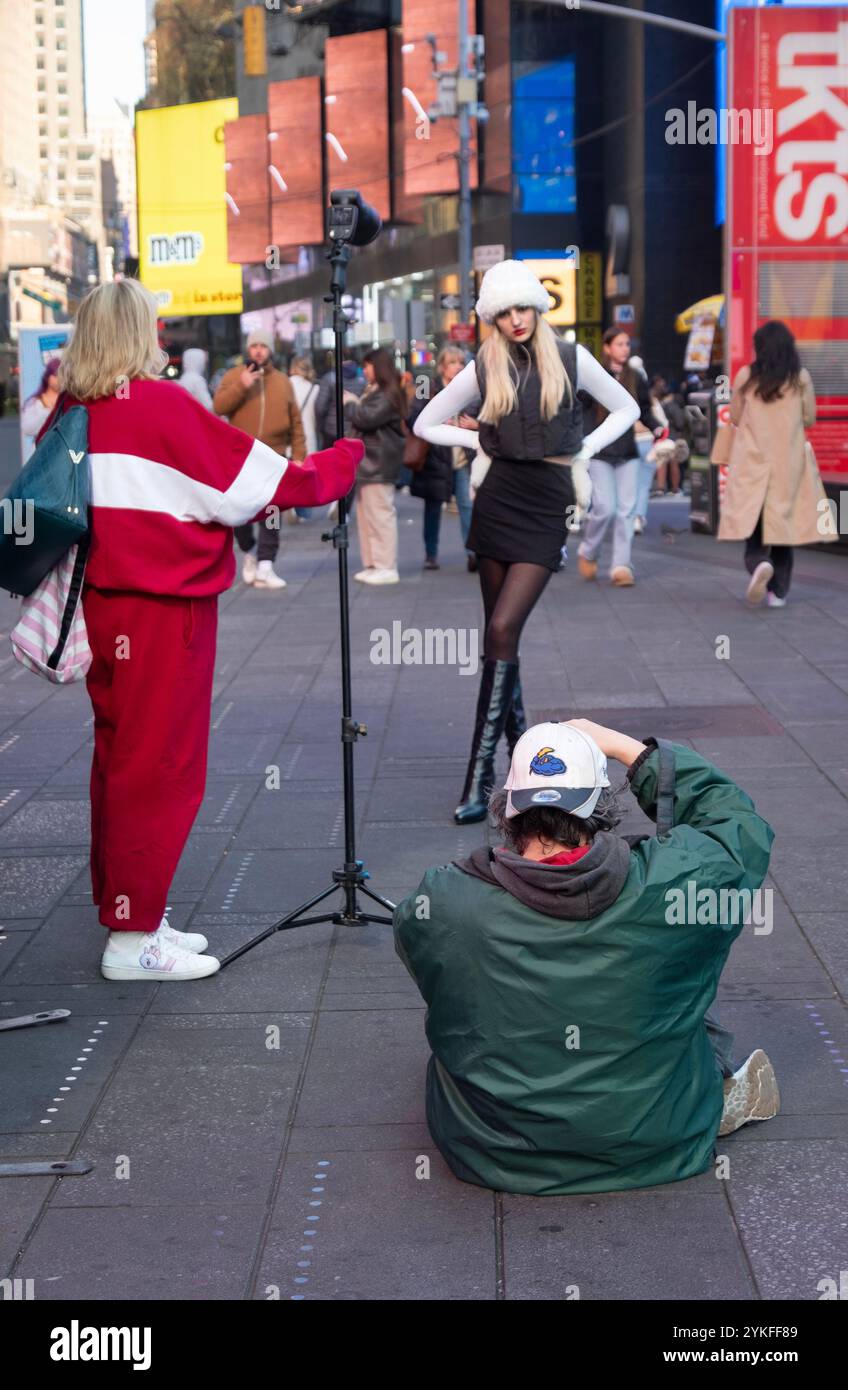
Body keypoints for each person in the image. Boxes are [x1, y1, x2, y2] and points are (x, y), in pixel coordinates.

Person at [50, 280, 362, 983]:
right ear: (139, 332)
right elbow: (259, 483)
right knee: (162, 767)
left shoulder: (72, 410)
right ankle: (132, 940)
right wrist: (343, 459)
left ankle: (134, 910)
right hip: (165, 611)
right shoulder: (161, 406)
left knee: (119, 760)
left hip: (100, 607)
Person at [394, 719, 779, 1196]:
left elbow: (429, 971)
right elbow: (737, 823)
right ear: (602, 808)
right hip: (659, 1145)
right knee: (685, 957)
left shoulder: (446, 900)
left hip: (489, 1151)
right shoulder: (678, 881)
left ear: (505, 811)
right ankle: (717, 1094)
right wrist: (629, 751)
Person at [413, 259, 638, 824]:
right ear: (492, 316)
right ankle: (519, 762)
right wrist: (481, 443)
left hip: (546, 504)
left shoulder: (571, 357)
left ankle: (476, 781)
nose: (516, 320)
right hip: (497, 501)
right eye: (504, 311)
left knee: (502, 629)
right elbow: (426, 423)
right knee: (499, 639)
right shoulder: (483, 366)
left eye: (523, 308)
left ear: (537, 309)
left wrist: (582, 449)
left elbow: (627, 408)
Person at [718, 321, 836, 605]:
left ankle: (758, 562)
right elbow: (809, 418)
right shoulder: (800, 378)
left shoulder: (746, 376)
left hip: (751, 464)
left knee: (754, 524)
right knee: (783, 528)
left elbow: (734, 416)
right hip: (788, 464)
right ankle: (778, 592)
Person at [213, 329, 307, 591]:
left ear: (270, 351)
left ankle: (266, 564)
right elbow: (219, 407)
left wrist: (299, 455)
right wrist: (242, 385)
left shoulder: (282, 381)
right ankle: (250, 551)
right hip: (241, 459)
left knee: (272, 511)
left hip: (274, 456)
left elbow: (296, 420)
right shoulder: (234, 376)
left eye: (262, 346)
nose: (257, 350)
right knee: (241, 513)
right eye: (253, 346)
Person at [577, 328, 665, 587]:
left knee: (627, 511)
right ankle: (588, 550)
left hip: (628, 451)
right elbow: (579, 410)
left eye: (627, 344)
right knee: (605, 509)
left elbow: (644, 410)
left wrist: (657, 427)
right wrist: (583, 442)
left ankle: (621, 566)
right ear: (607, 347)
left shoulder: (636, 376)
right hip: (600, 452)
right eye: (619, 344)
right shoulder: (594, 375)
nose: (625, 349)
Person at [349, 347, 406, 585]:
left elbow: (366, 418)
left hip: (379, 462)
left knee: (380, 515)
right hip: (369, 462)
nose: (364, 370)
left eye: (368, 365)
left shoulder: (388, 393)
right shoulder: (377, 391)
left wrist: (350, 404)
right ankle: (372, 563)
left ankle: (386, 565)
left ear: (378, 366)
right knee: (366, 516)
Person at [408, 347, 468, 570]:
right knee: (433, 507)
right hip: (436, 456)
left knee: (467, 504)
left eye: (461, 362)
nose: (458, 367)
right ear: (442, 366)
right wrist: (439, 422)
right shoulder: (426, 383)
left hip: (461, 456)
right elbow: (413, 417)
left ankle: (472, 553)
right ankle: (430, 553)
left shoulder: (469, 387)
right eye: (453, 362)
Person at [288, 356, 320, 522]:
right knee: (305, 477)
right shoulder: (314, 389)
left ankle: (289, 505)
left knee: (288, 474)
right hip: (308, 438)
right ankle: (304, 513)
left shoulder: (285, 385)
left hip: (288, 438)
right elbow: (316, 417)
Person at [314, 349, 364, 451]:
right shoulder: (363, 379)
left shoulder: (329, 378)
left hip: (332, 431)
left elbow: (320, 407)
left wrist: (321, 427)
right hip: (355, 432)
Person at [21, 357, 62, 443]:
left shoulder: (67, 400)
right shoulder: (35, 402)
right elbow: (27, 429)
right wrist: (47, 412)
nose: (60, 379)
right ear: (48, 377)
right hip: (42, 451)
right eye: (56, 375)